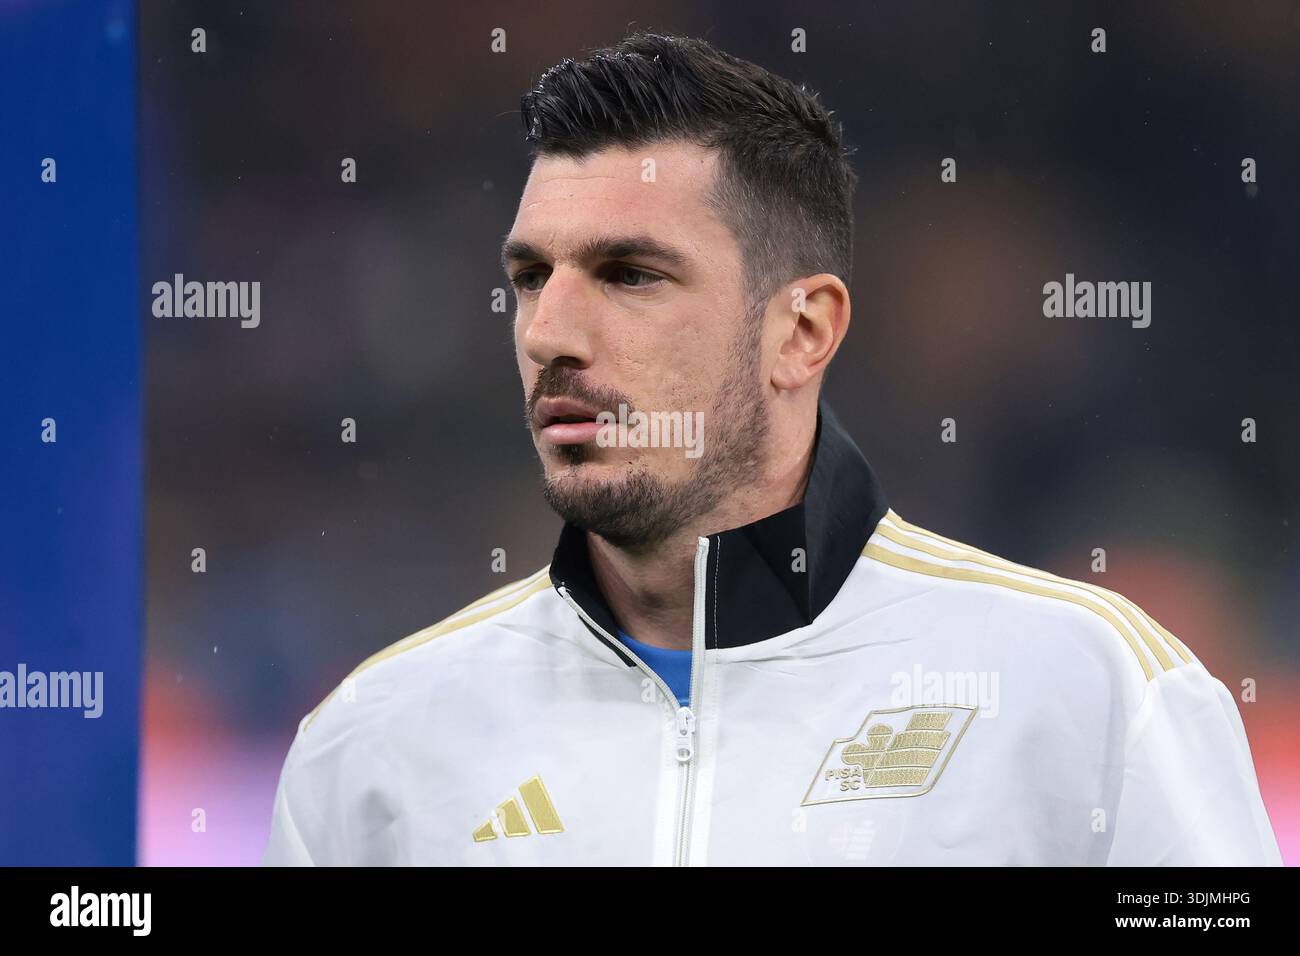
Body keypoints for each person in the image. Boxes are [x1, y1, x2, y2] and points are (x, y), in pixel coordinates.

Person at [263, 33, 1281, 866]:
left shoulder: (1090, 688)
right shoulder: (372, 744)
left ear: (801, 331)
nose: (548, 331)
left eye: (629, 274)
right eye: (532, 275)